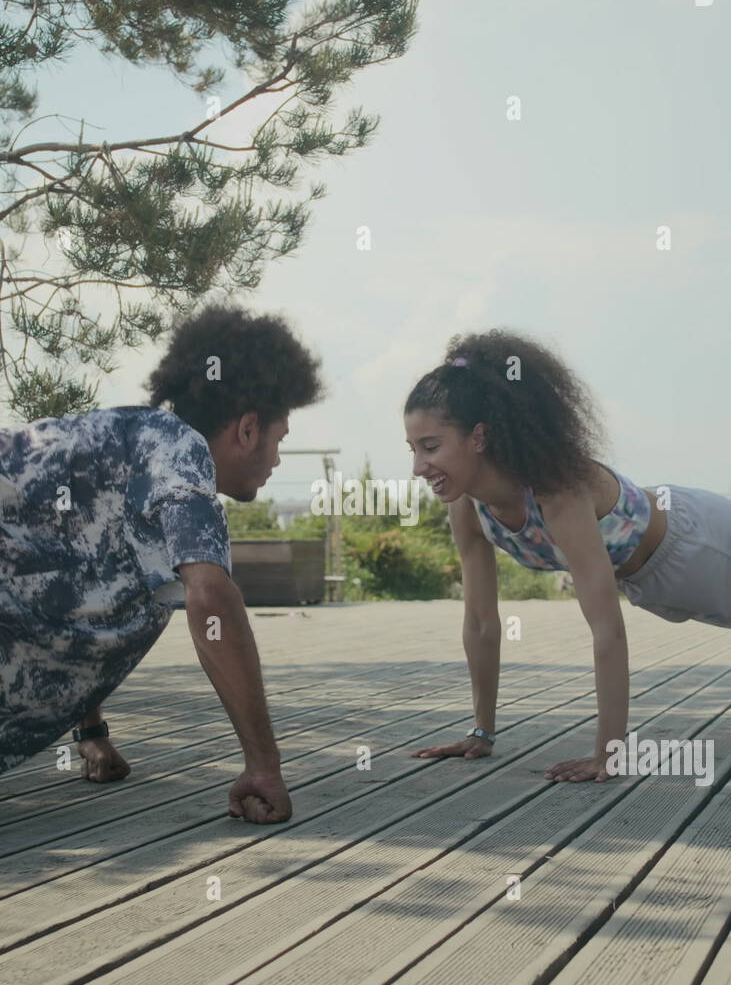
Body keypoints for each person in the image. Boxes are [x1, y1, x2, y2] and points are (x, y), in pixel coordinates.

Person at [0, 302, 323, 822]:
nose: (278, 459)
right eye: (279, 440)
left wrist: (91, 732)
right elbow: (211, 600)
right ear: (247, 429)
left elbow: (79, 582)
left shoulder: (132, 444)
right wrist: (264, 765)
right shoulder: (181, 452)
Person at [404, 329, 731, 784]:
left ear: (478, 437)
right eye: (413, 449)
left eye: (431, 447)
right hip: (651, 584)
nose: (418, 467)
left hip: (700, 547)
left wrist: (608, 754)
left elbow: (606, 629)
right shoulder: (468, 507)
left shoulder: (556, 490)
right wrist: (481, 732)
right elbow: (481, 622)